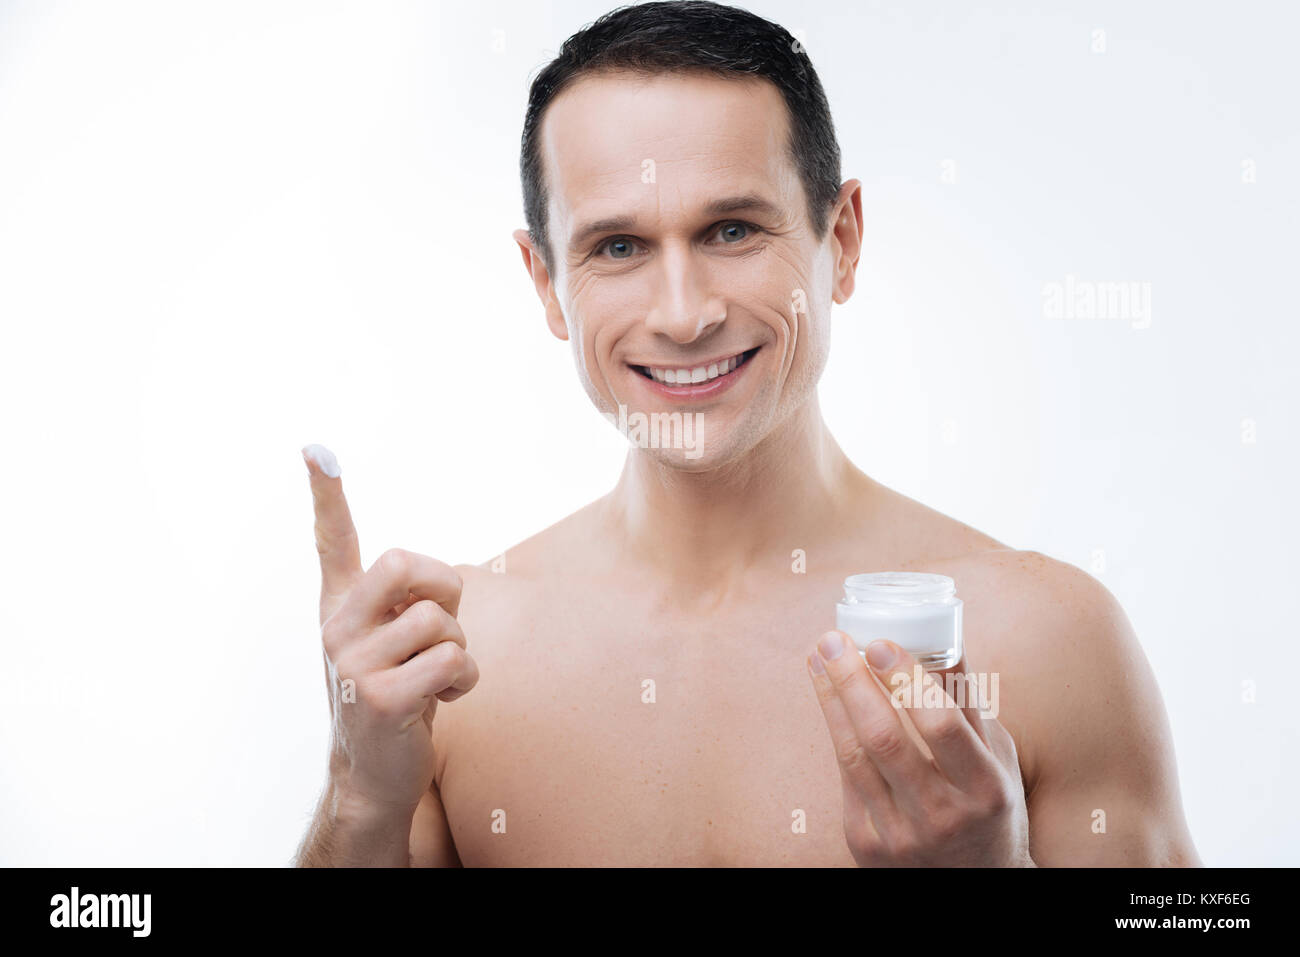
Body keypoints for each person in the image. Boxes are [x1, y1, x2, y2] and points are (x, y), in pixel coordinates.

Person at [293, 0, 1200, 867]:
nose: (683, 315)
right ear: (544, 284)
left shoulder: (1044, 639)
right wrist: (357, 795)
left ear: (840, 240)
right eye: (618, 247)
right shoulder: (453, 665)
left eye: (731, 229)